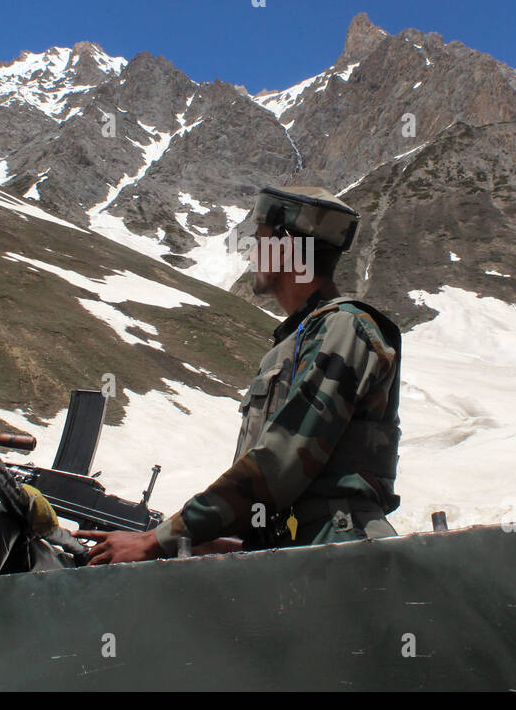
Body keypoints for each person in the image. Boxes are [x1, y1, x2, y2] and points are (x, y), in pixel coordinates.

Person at [77, 185, 403, 564]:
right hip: (296, 550)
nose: (249, 253)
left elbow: (282, 460)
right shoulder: (297, 339)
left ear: (284, 248)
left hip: (339, 551)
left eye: (258, 240)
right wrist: (222, 539)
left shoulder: (345, 327)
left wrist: (159, 539)